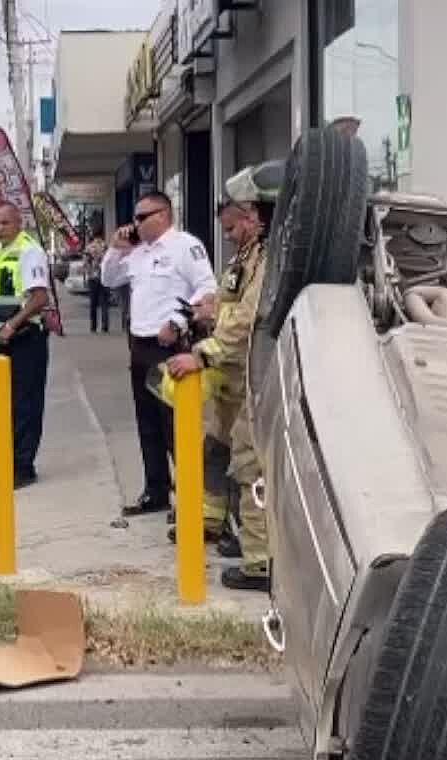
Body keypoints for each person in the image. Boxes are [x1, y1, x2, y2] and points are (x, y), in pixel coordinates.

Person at [165, 163, 280, 591]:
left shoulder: (271, 256)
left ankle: (260, 564)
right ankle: (224, 530)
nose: (229, 235)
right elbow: (236, 303)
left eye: (233, 226)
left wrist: (205, 351)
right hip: (237, 376)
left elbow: (251, 317)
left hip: (257, 375)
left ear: (251, 215)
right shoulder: (250, 254)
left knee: (251, 466)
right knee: (220, 452)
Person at [99, 191, 218, 516]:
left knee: (175, 423)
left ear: (163, 215)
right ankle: (156, 490)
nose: (134, 224)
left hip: (170, 345)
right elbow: (109, 280)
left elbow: (207, 290)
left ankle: (192, 497)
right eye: (134, 218)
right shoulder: (137, 252)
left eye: (142, 217)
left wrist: (179, 323)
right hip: (140, 344)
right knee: (147, 421)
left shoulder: (185, 247)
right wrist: (115, 248)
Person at [0, 202, 53, 488]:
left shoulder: (30, 251)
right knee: (5, 404)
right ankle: (9, 461)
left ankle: (24, 467)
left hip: (26, 339)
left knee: (26, 405)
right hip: (3, 340)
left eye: (5, 223)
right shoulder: (0, 250)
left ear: (19, 222)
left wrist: (13, 324)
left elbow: (39, 298)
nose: (0, 228)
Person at [84, 242, 110, 334]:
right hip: (101, 279)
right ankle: (103, 326)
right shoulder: (104, 247)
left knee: (95, 304)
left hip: (95, 280)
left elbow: (86, 265)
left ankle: (95, 327)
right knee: (103, 304)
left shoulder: (90, 248)